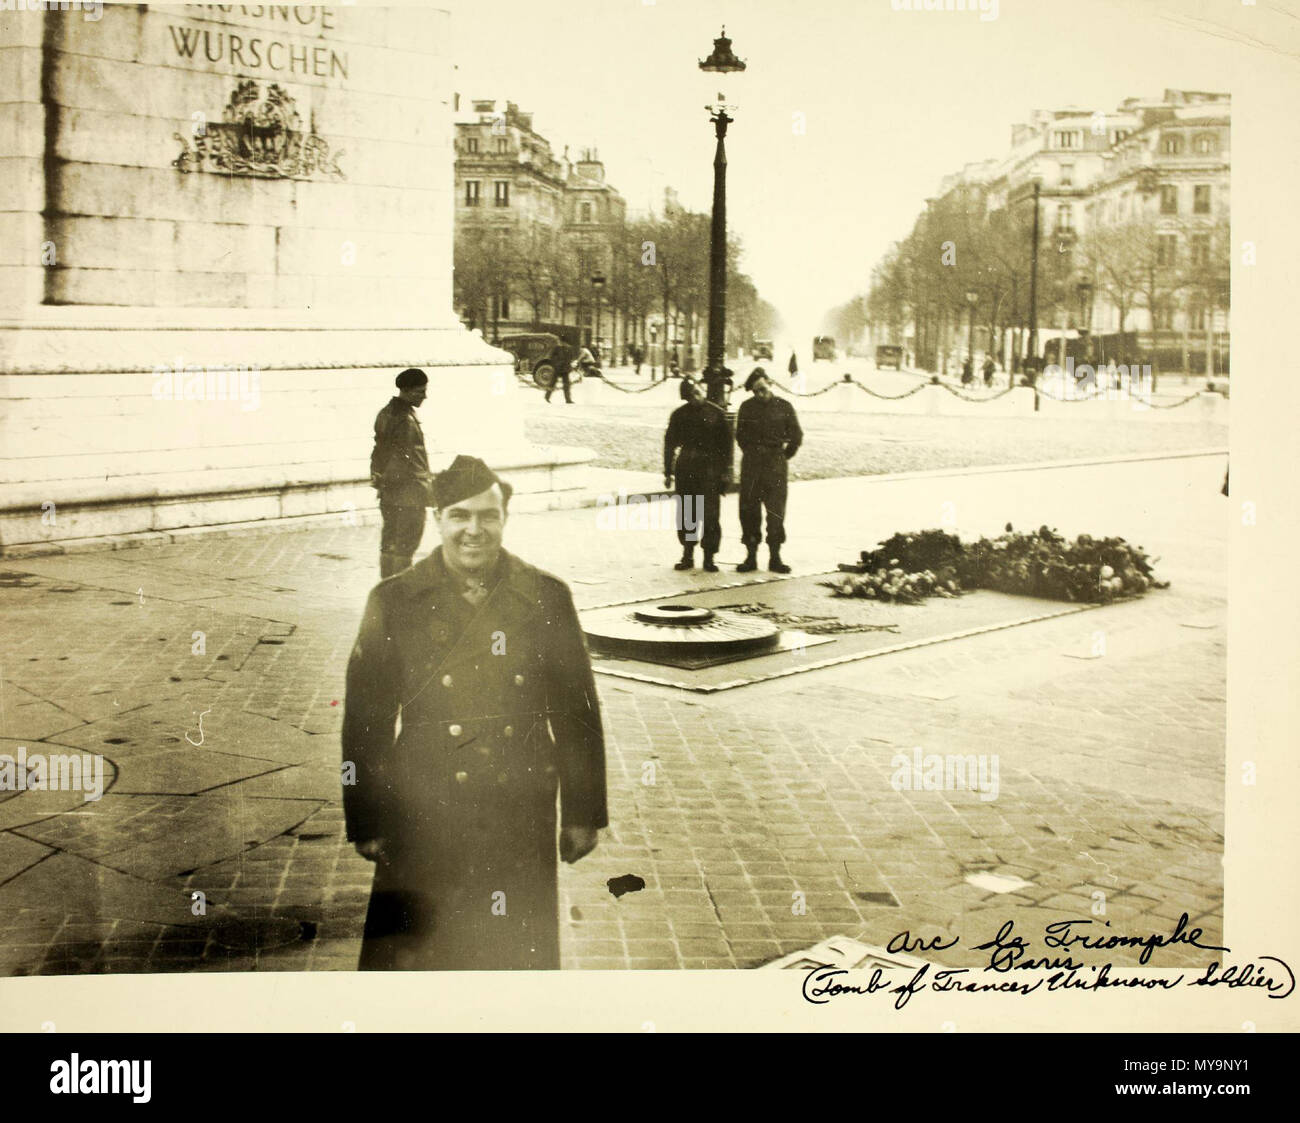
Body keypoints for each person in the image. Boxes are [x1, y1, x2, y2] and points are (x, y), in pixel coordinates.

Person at [342, 454, 608, 971]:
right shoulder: (394, 600)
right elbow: (366, 721)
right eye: (460, 515)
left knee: (511, 952)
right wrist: (366, 817)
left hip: (518, 802)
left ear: (505, 520)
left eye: (489, 516)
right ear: (438, 519)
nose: (474, 530)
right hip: (422, 804)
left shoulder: (546, 596)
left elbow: (576, 712)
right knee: (419, 960)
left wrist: (582, 814)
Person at [735, 368, 802, 574]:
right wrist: (755, 453)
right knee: (749, 511)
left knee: (776, 512)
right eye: (756, 391)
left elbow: (796, 436)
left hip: (775, 466)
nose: (760, 394)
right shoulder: (746, 408)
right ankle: (751, 557)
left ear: (770, 384)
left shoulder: (784, 406)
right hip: (752, 466)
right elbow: (741, 437)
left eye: (762, 389)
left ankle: (775, 557)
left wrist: (781, 456)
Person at [663, 378, 733, 572]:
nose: (696, 396)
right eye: (692, 394)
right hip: (686, 467)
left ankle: (709, 557)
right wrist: (668, 472)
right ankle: (688, 553)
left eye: (698, 391)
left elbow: (726, 446)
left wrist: (726, 472)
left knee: (710, 514)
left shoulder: (716, 413)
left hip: (710, 469)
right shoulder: (679, 415)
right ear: (686, 397)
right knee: (687, 512)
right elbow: (669, 443)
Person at [370, 368, 433, 578]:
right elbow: (412, 462)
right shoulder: (406, 420)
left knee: (389, 542)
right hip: (410, 494)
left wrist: (380, 479)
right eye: (419, 392)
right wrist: (430, 491)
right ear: (405, 391)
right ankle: (401, 596)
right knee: (406, 545)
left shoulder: (385, 413)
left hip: (389, 491)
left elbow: (378, 452)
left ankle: (386, 590)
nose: (424, 396)